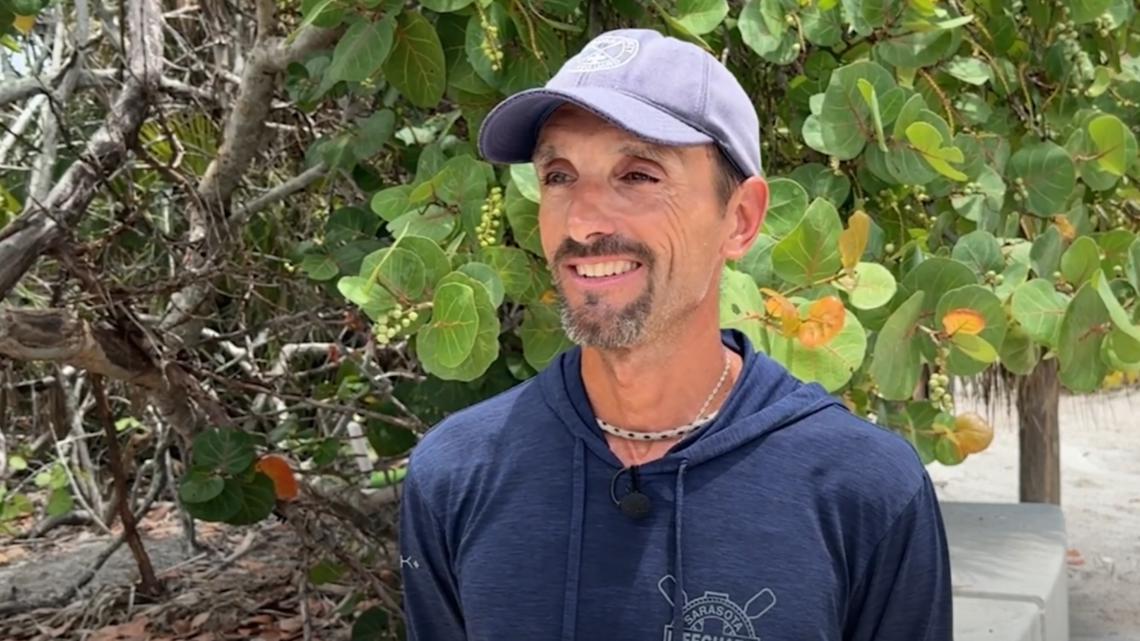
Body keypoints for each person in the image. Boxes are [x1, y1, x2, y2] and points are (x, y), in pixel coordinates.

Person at [398, 28, 953, 641]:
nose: (582, 221)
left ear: (740, 220)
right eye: (558, 175)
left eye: (637, 175)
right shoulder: (456, 475)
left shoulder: (865, 490)